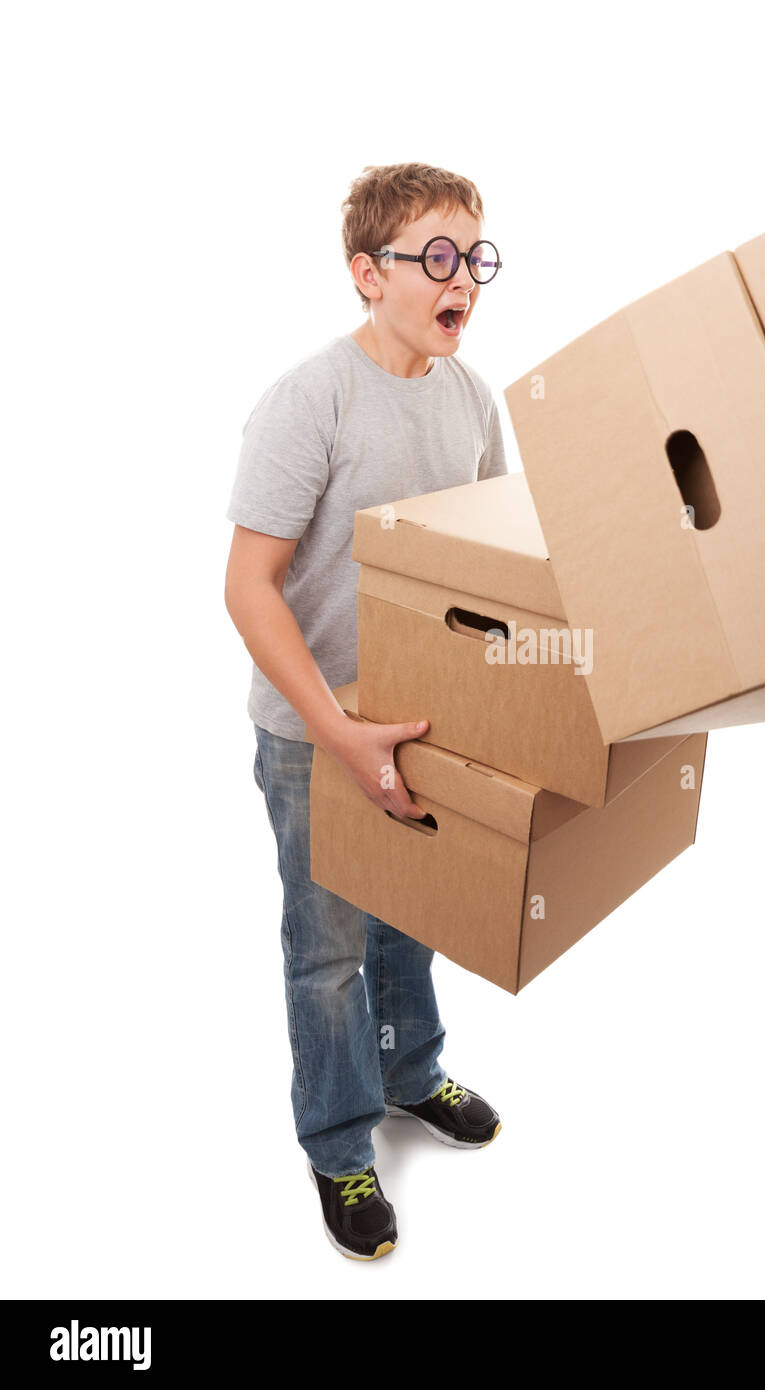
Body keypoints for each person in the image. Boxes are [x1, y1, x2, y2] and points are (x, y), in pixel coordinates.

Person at [224, 163, 507, 1262]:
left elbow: (492, 565)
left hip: (422, 722)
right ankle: (342, 1142)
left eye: (475, 257)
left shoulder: (475, 397)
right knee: (330, 944)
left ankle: (410, 1071)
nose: (464, 279)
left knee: (412, 912)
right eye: (436, 256)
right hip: (314, 735)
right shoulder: (311, 400)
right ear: (366, 274)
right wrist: (337, 732)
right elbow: (248, 587)